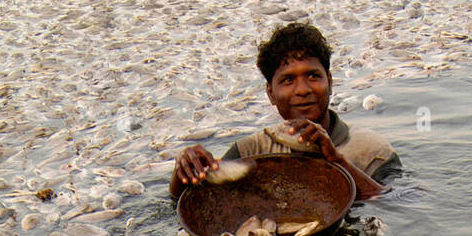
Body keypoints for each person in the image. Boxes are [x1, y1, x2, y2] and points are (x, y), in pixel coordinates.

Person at [169, 22, 400, 202]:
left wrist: (337, 161)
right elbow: (189, 205)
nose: (302, 90)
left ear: (329, 82)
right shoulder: (250, 150)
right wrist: (183, 175)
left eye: (313, 76)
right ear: (270, 93)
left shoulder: (372, 151)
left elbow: (396, 203)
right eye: (288, 80)